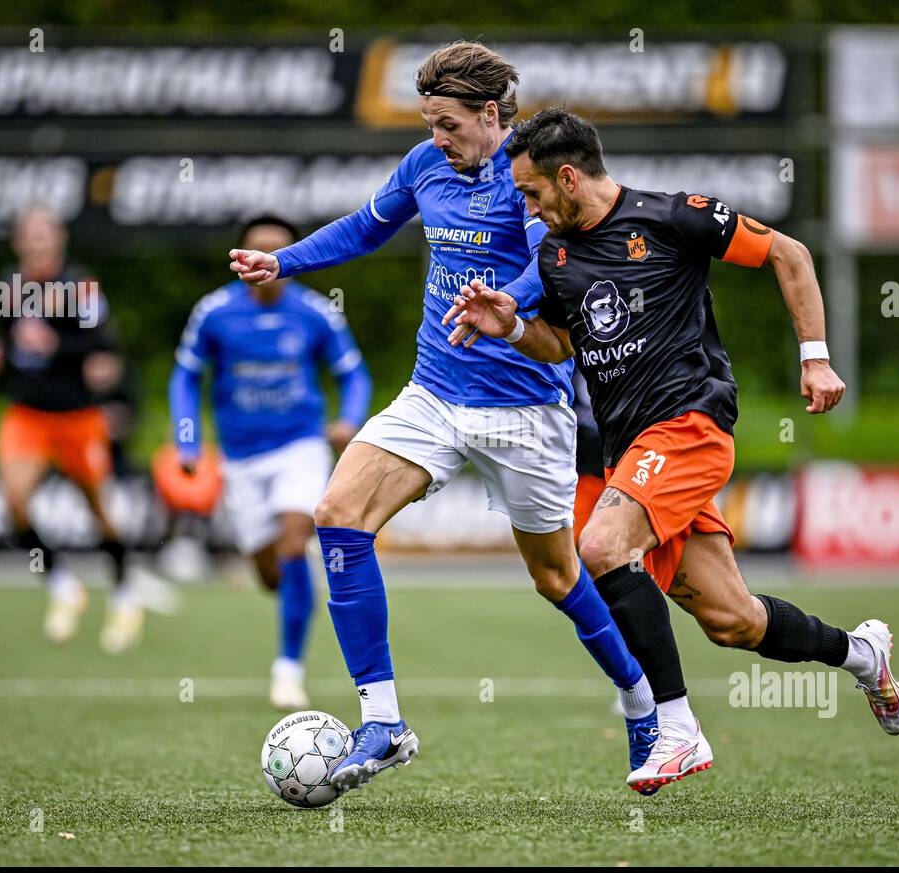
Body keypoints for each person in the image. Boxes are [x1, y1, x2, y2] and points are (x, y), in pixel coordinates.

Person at [229, 42, 655, 793]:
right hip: (433, 391)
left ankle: (640, 699)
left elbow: (543, 268)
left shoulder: (529, 180)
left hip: (526, 409)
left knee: (558, 577)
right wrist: (284, 261)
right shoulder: (425, 165)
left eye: (448, 124)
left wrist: (506, 305)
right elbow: (366, 227)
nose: (436, 138)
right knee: (338, 514)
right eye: (429, 122)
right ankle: (385, 722)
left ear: (490, 115)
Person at [444, 108, 899, 794]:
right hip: (630, 453)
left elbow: (790, 254)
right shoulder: (556, 256)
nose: (529, 209)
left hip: (690, 426)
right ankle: (862, 653)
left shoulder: (673, 217)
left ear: (568, 178)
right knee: (734, 621)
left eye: (534, 194)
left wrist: (815, 359)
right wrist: (513, 328)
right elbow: (566, 343)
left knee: (600, 546)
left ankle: (677, 728)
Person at [170, 214, 372, 709]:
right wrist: (187, 440)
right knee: (269, 573)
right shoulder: (214, 313)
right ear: (240, 258)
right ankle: (296, 588)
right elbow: (184, 378)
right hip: (240, 457)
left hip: (300, 445)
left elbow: (354, 375)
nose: (265, 261)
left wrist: (347, 420)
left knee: (292, 540)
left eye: (277, 252)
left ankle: (288, 668)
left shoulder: (317, 313)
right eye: (255, 250)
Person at [0, 205, 142, 652]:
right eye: (30, 234)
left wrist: (68, 351)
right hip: (27, 415)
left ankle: (125, 593)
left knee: (98, 512)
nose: (38, 242)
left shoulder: (80, 286)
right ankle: (64, 586)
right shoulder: (8, 287)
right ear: (18, 241)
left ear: (59, 239)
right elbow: (6, 338)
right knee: (14, 503)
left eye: (45, 234)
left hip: (77, 416)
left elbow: (103, 346)